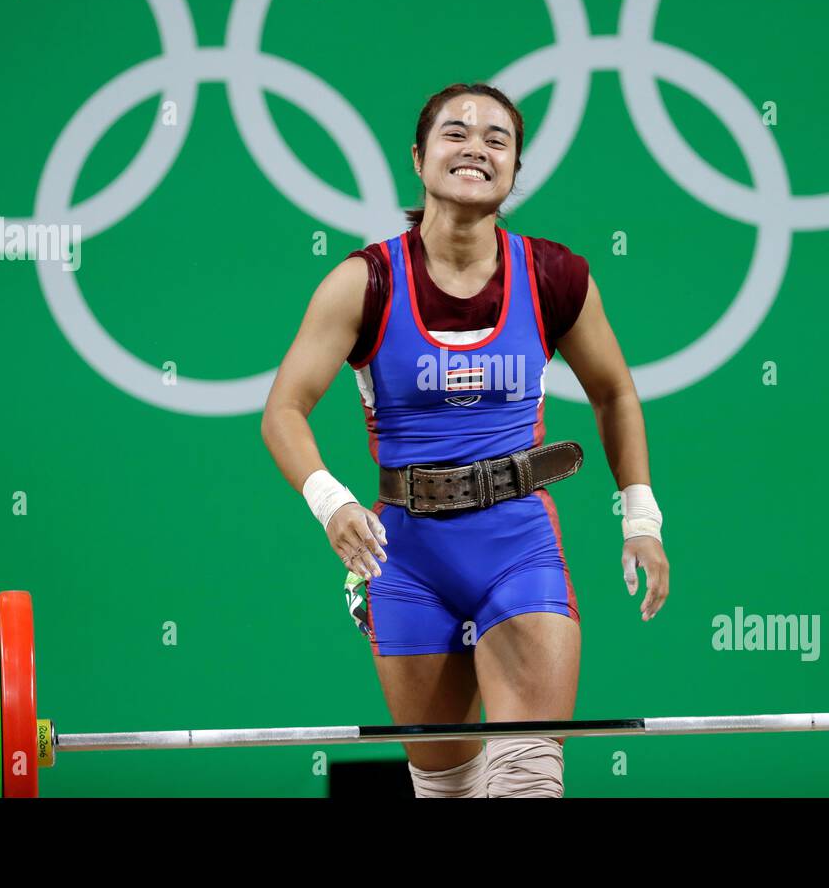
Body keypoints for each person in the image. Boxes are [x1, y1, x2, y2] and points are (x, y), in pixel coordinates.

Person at [261, 82, 670, 797]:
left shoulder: (554, 277)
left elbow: (615, 392)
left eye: (497, 138)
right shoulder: (366, 282)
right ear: (419, 159)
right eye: (455, 132)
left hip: (518, 547)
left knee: (526, 782)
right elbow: (284, 410)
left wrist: (642, 520)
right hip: (407, 558)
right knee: (449, 788)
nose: (475, 146)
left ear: (513, 171)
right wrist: (331, 505)